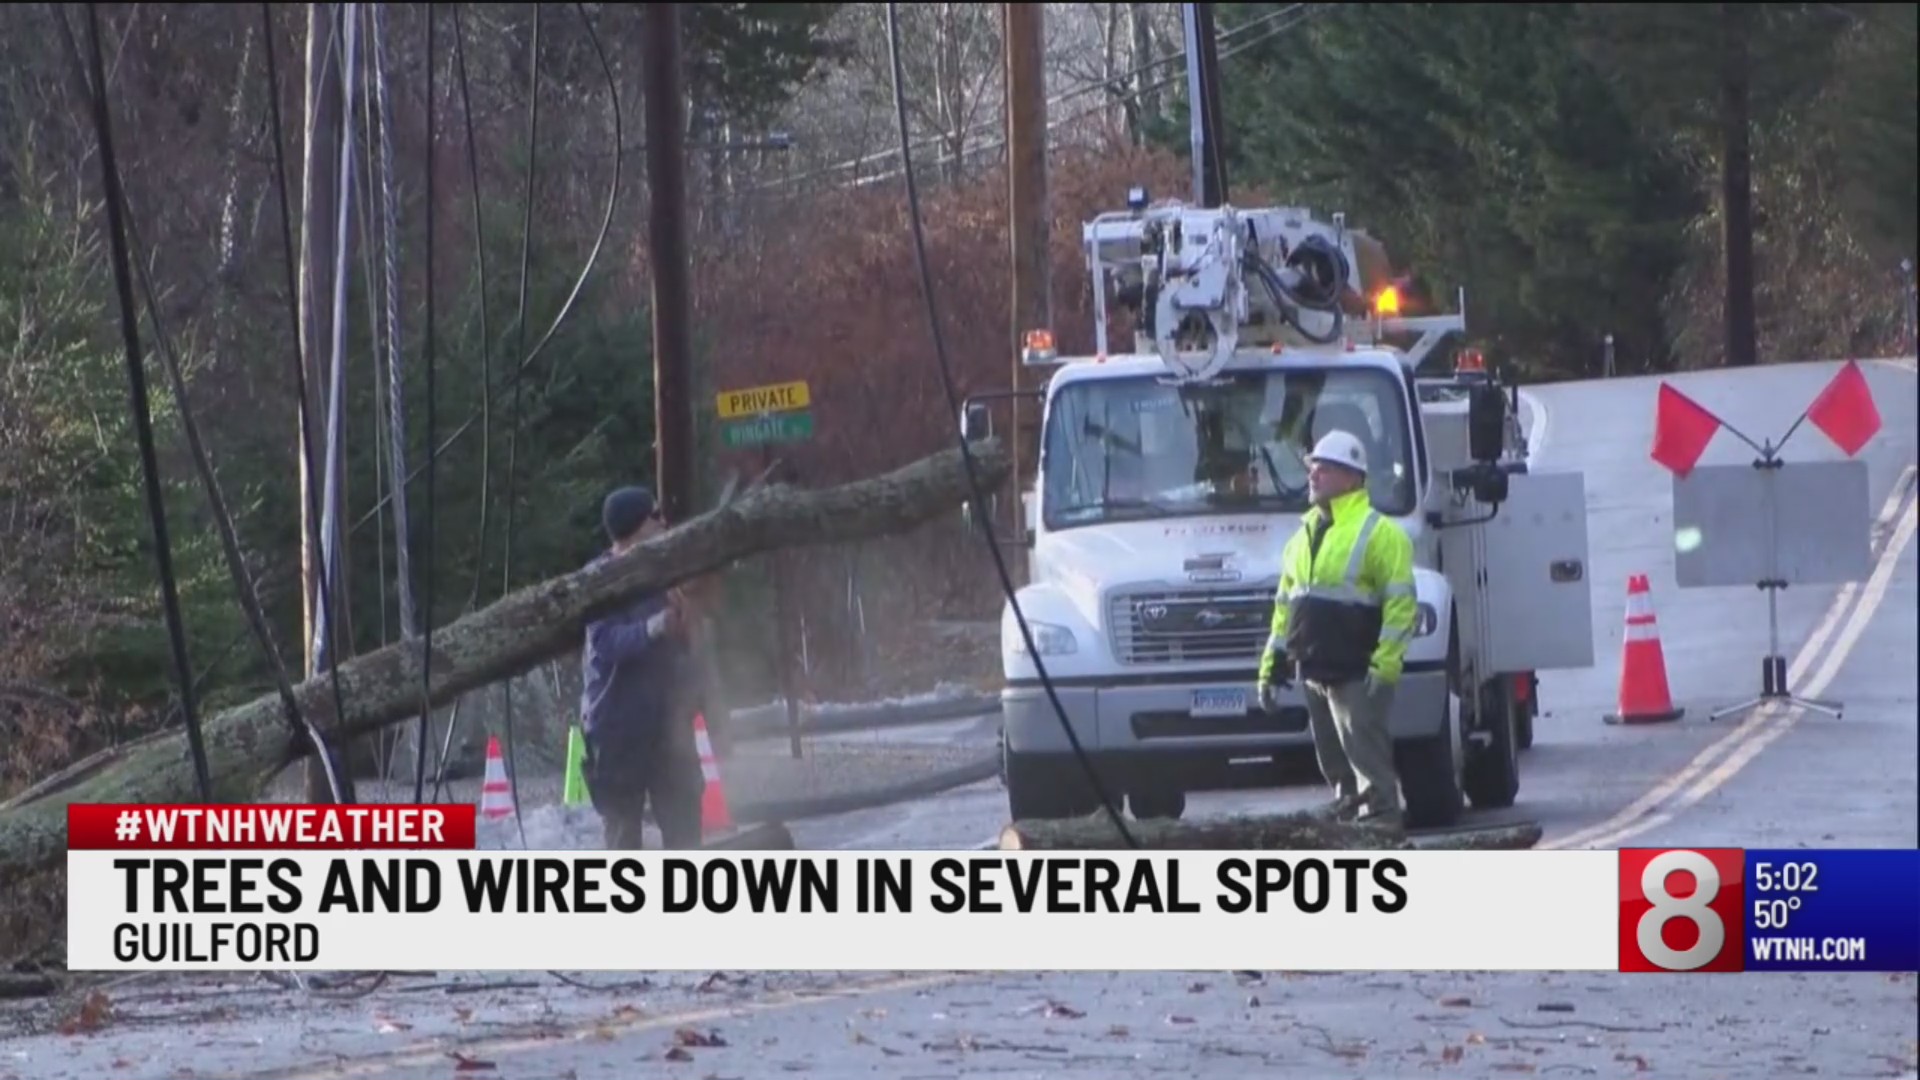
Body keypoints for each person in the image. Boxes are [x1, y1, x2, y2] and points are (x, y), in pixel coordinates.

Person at [1255, 429, 1417, 828]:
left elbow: (1401, 606)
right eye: (1313, 467)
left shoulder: (1380, 533)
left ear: (1352, 478)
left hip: (1357, 674)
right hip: (1314, 672)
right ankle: (1348, 841)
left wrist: (1385, 665)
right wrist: (1271, 666)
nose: (1313, 475)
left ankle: (1382, 839)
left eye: (1324, 468)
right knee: (1337, 771)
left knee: (1370, 771)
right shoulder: (1302, 536)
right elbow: (1284, 609)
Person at [578, 485, 705, 849]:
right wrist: (656, 626)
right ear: (635, 525)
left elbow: (685, 644)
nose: (663, 522)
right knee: (623, 834)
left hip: (667, 722)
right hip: (617, 728)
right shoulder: (600, 577)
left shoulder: (663, 571)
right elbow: (605, 644)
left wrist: (686, 619)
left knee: (684, 825)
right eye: (655, 515)